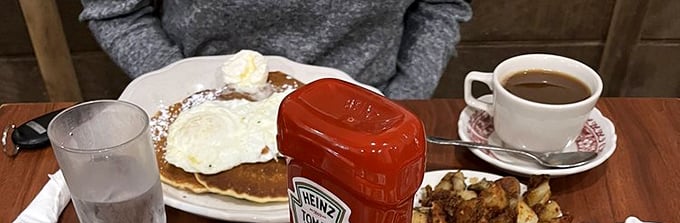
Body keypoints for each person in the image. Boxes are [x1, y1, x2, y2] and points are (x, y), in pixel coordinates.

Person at [79, 0, 473, 99]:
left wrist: (403, 101)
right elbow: (116, 10)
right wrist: (187, 94)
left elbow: (441, 5)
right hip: (203, 107)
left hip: (369, 107)